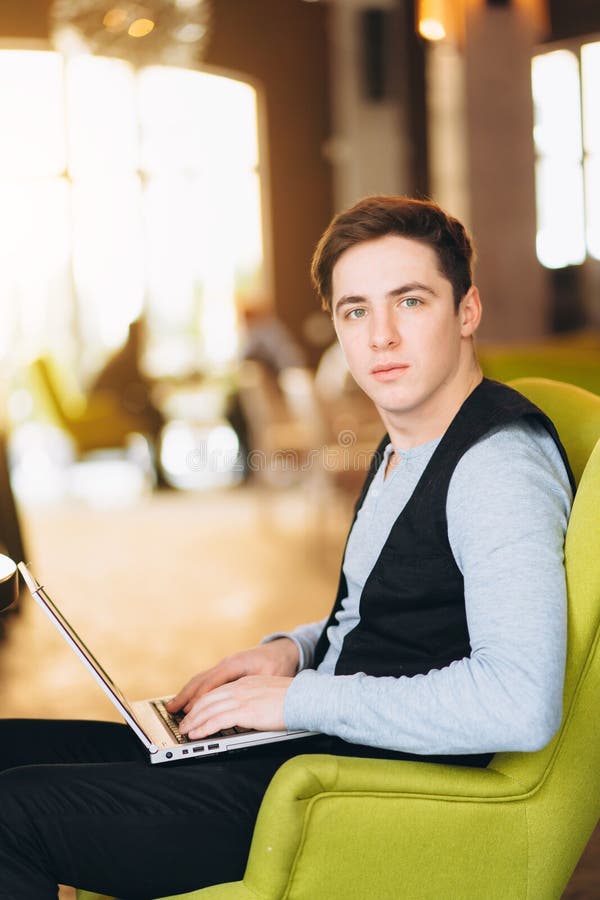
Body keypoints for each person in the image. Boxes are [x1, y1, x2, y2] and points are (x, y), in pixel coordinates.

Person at [0, 197, 575, 900]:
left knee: (11, 815)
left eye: (411, 301)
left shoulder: (497, 468)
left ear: (467, 311)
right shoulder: (407, 445)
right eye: (355, 310)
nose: (381, 336)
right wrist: (291, 652)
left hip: (346, 791)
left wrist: (299, 699)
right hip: (307, 750)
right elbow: (400, 612)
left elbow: (520, 702)